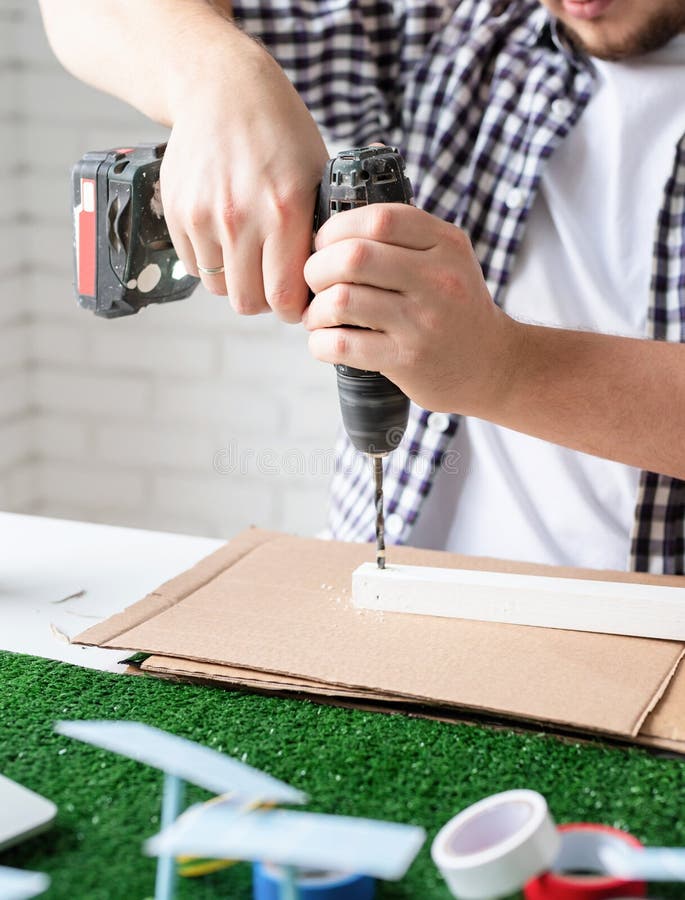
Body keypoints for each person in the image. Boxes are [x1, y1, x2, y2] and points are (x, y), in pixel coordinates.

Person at [39, 0, 685, 573]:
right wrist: (218, 77)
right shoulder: (458, 23)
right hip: (378, 583)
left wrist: (501, 368)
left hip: (646, 643)